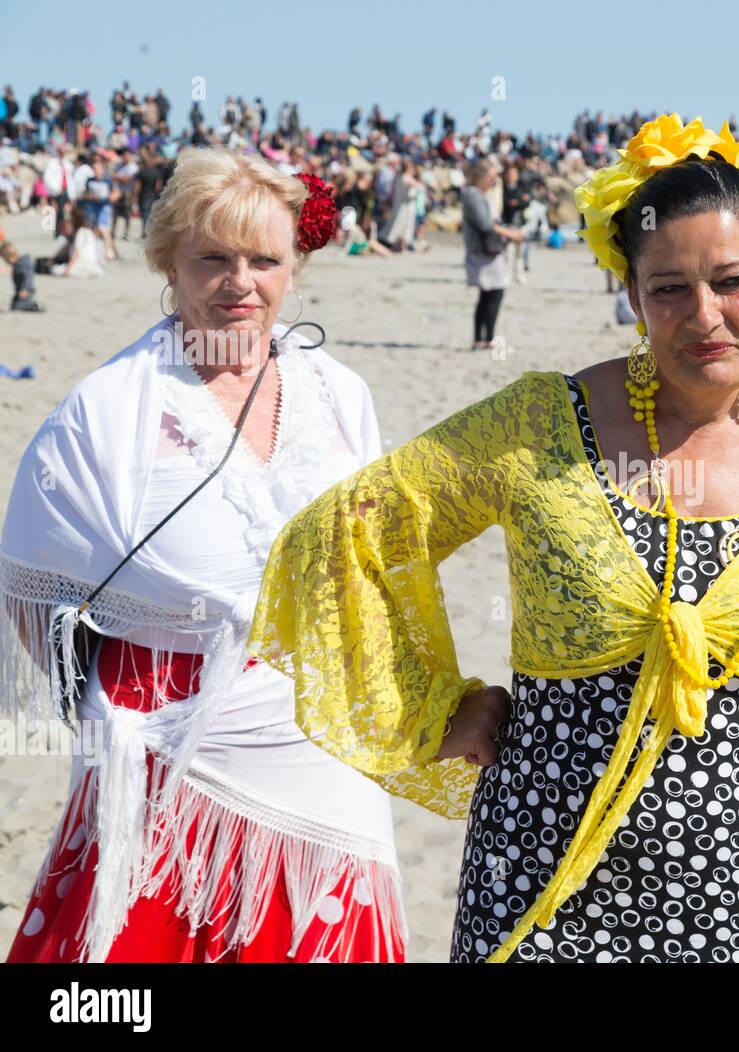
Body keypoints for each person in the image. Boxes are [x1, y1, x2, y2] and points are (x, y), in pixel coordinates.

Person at [248, 113, 739, 964]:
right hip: (545, 881)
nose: (703, 315)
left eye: (731, 281)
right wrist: (433, 707)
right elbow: (345, 535)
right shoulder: (538, 426)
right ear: (633, 295)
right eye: (669, 287)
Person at [2, 147, 404, 963]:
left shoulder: (342, 395)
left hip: (319, 741)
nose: (240, 282)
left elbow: (371, 564)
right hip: (158, 747)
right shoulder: (105, 411)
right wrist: (116, 713)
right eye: (212, 259)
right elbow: (32, 587)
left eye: (265, 260)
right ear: (169, 265)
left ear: (297, 265)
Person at [461, 158, 523, 350]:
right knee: (493, 294)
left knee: (488, 295)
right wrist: (511, 234)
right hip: (485, 253)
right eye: (491, 177)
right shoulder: (472, 194)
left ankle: (482, 339)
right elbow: (485, 225)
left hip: (489, 251)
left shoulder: (477, 194)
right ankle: (486, 339)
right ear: (481, 177)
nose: (494, 181)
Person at [1, 240, 42, 311]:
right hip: (19, 290)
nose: (5, 262)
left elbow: (28, 277)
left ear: (10, 257)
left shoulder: (22, 265)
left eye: (5, 259)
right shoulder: (18, 264)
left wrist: (25, 289)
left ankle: (34, 306)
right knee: (14, 305)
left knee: (20, 305)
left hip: (26, 291)